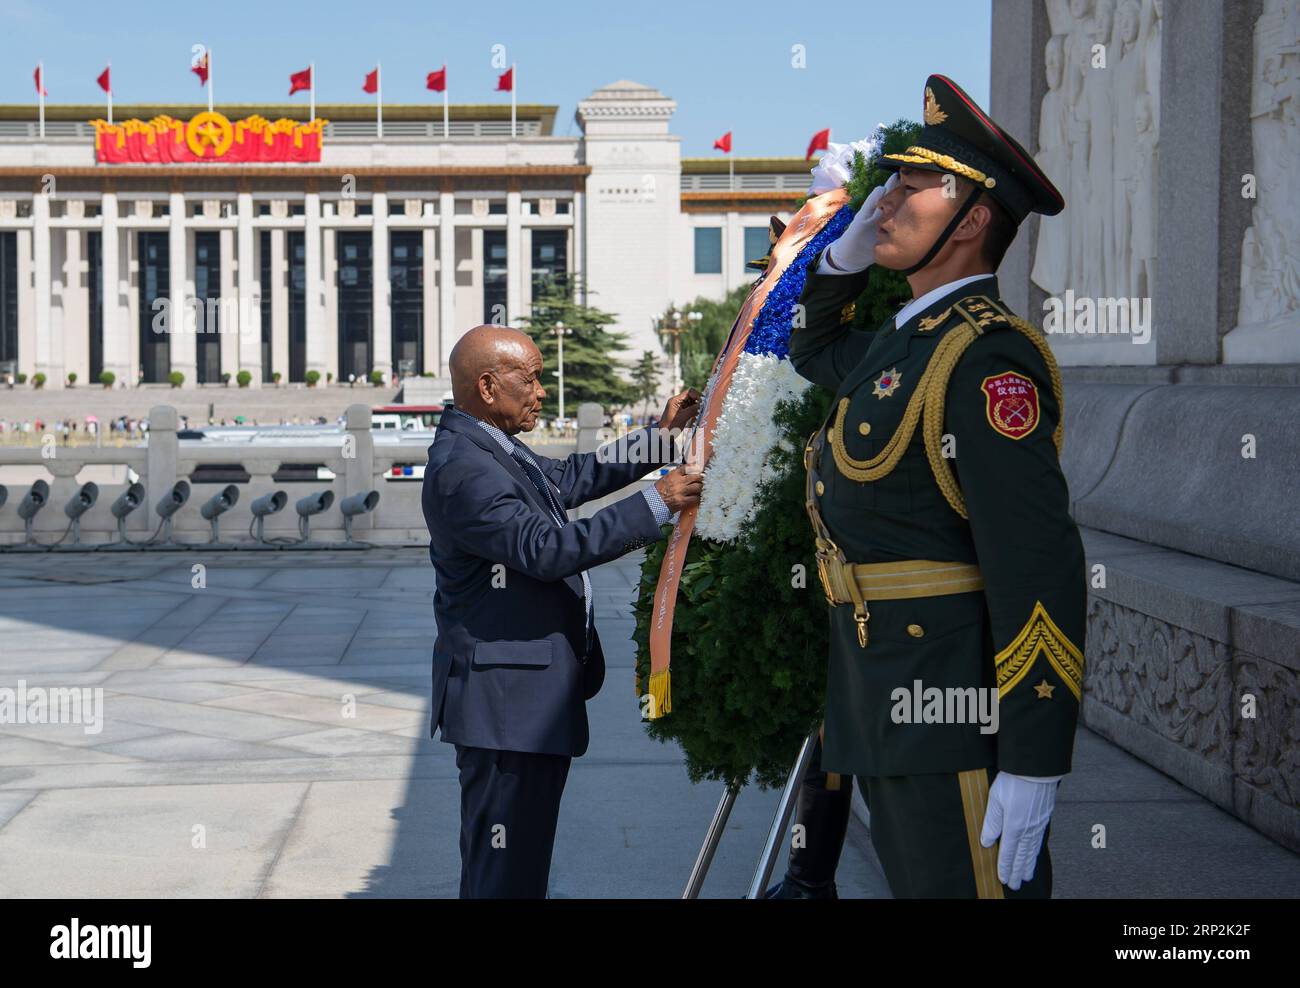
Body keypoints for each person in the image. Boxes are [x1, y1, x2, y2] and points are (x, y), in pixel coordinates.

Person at [788, 75, 1086, 898]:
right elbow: (813, 351)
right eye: (887, 187)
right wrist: (841, 258)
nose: (885, 204)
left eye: (912, 188)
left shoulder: (988, 358)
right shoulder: (907, 342)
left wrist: (1031, 759)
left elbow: (1038, 568)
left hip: (953, 721)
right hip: (884, 706)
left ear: (972, 219)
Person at [421, 324, 702, 898]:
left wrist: (658, 438)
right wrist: (658, 501)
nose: (542, 391)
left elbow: (569, 480)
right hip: (504, 708)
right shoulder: (463, 467)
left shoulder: (489, 444)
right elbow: (545, 550)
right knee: (505, 870)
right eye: (531, 378)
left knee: (516, 864)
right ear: (488, 385)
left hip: (522, 702)